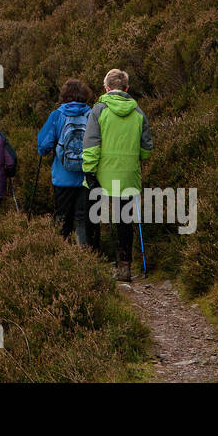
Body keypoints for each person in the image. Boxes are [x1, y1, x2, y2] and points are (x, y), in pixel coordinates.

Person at [81, 68, 153, 281]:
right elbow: (146, 149)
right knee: (124, 221)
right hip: (128, 175)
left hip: (101, 175)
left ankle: (93, 265)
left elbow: (91, 145)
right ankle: (125, 267)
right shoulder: (138, 113)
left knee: (93, 219)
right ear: (127, 88)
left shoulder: (99, 110)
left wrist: (89, 172)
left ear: (107, 87)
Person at [36, 78, 97, 247]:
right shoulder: (91, 114)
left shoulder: (57, 115)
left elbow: (43, 146)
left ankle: (64, 255)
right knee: (84, 217)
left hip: (62, 177)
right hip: (87, 175)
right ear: (85, 95)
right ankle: (86, 253)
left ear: (64, 95)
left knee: (63, 217)